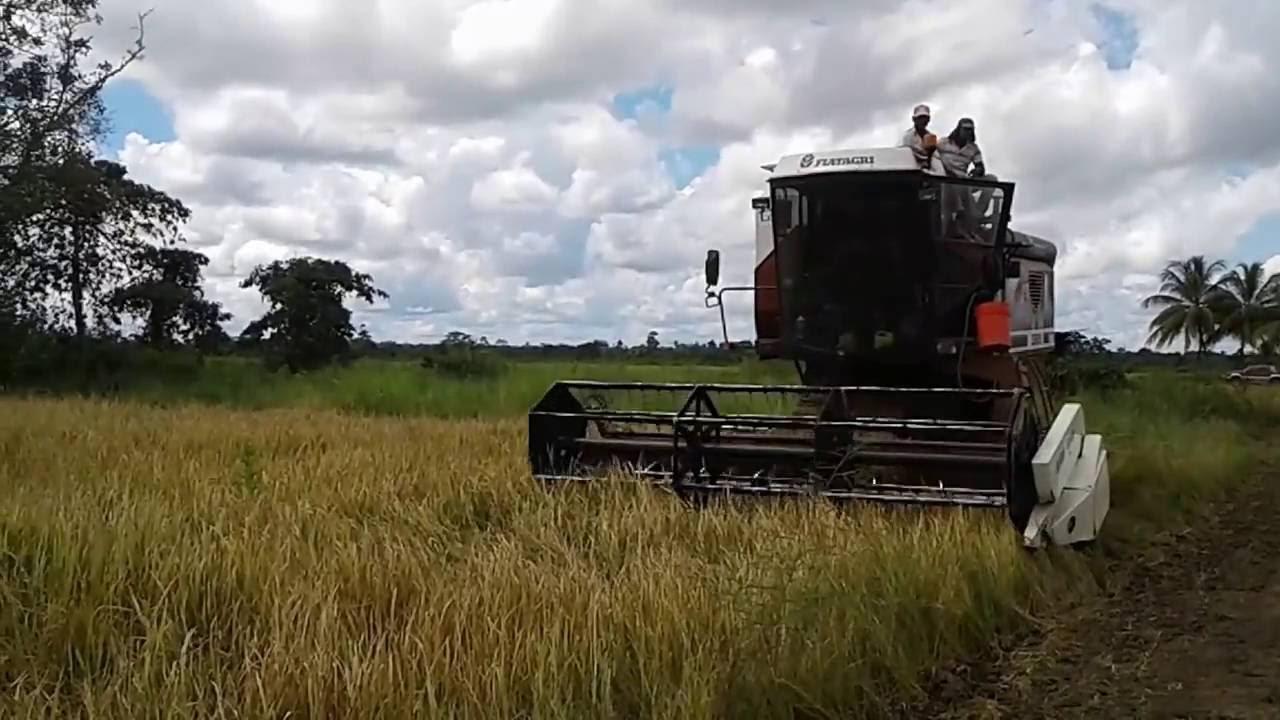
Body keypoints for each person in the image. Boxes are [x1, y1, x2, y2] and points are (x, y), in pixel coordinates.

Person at [937, 118, 997, 238]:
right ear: (958, 129)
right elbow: (933, 157)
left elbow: (980, 166)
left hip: (964, 178)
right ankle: (967, 215)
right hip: (946, 180)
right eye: (965, 129)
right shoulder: (943, 143)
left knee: (992, 179)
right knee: (960, 187)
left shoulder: (973, 148)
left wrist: (977, 171)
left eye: (970, 130)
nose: (967, 132)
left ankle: (978, 212)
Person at [900, 104, 940, 170]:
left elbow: (935, 158)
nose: (923, 121)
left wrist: (931, 152)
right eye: (920, 118)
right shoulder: (907, 136)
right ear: (914, 119)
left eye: (925, 118)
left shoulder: (931, 137)